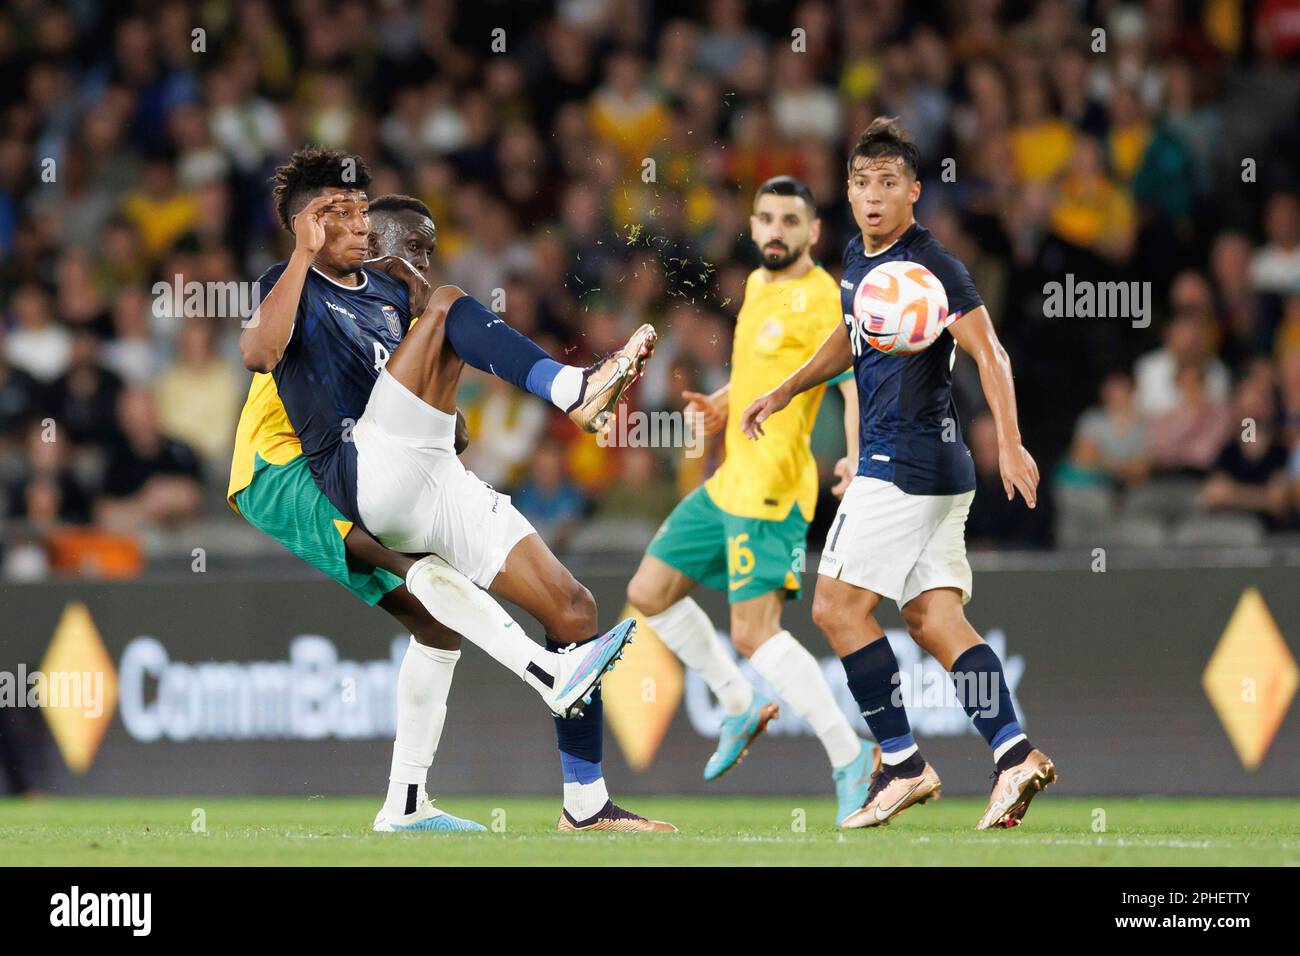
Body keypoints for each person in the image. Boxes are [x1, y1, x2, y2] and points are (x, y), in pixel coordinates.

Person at [238, 148, 671, 833]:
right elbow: (260, 353)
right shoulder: (292, 285)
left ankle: (581, 807)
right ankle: (574, 390)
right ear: (312, 226)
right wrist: (299, 254)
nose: (357, 222)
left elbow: (412, 397)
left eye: (359, 210)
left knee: (573, 608)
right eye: (341, 214)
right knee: (448, 305)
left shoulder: (387, 299)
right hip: (363, 478)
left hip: (430, 472)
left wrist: (448, 410)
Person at [742, 118, 1056, 830]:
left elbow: (992, 354)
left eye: (888, 184)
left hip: (903, 461)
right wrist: (788, 389)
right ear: (848, 196)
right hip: (936, 472)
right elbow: (850, 336)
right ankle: (1013, 756)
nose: (873, 196)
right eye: (861, 184)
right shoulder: (857, 255)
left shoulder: (934, 266)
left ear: (914, 192)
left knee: (835, 609)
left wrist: (1011, 442)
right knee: (934, 618)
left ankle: (902, 764)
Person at [626, 176, 879, 827]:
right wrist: (723, 400)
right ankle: (738, 704)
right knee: (651, 591)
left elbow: (851, 384)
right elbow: (763, 370)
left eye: (788, 221)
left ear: (813, 232)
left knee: (752, 631)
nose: (773, 230)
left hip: (773, 488)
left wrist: (855, 456)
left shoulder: (826, 297)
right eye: (764, 218)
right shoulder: (761, 286)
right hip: (729, 479)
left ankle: (852, 757)